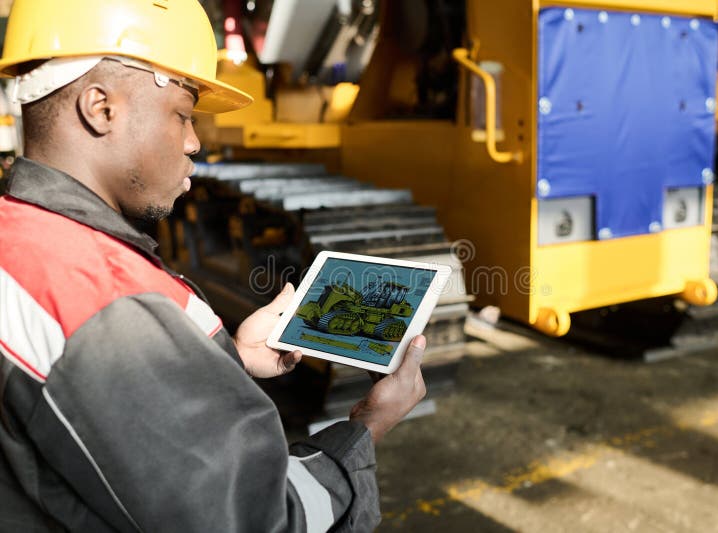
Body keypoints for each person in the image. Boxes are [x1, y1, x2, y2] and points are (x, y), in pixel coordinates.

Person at [0, 0, 427, 531]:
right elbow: (260, 518)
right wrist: (367, 426)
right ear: (100, 108)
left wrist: (229, 356)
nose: (195, 141)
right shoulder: (110, 303)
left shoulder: (20, 233)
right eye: (183, 113)